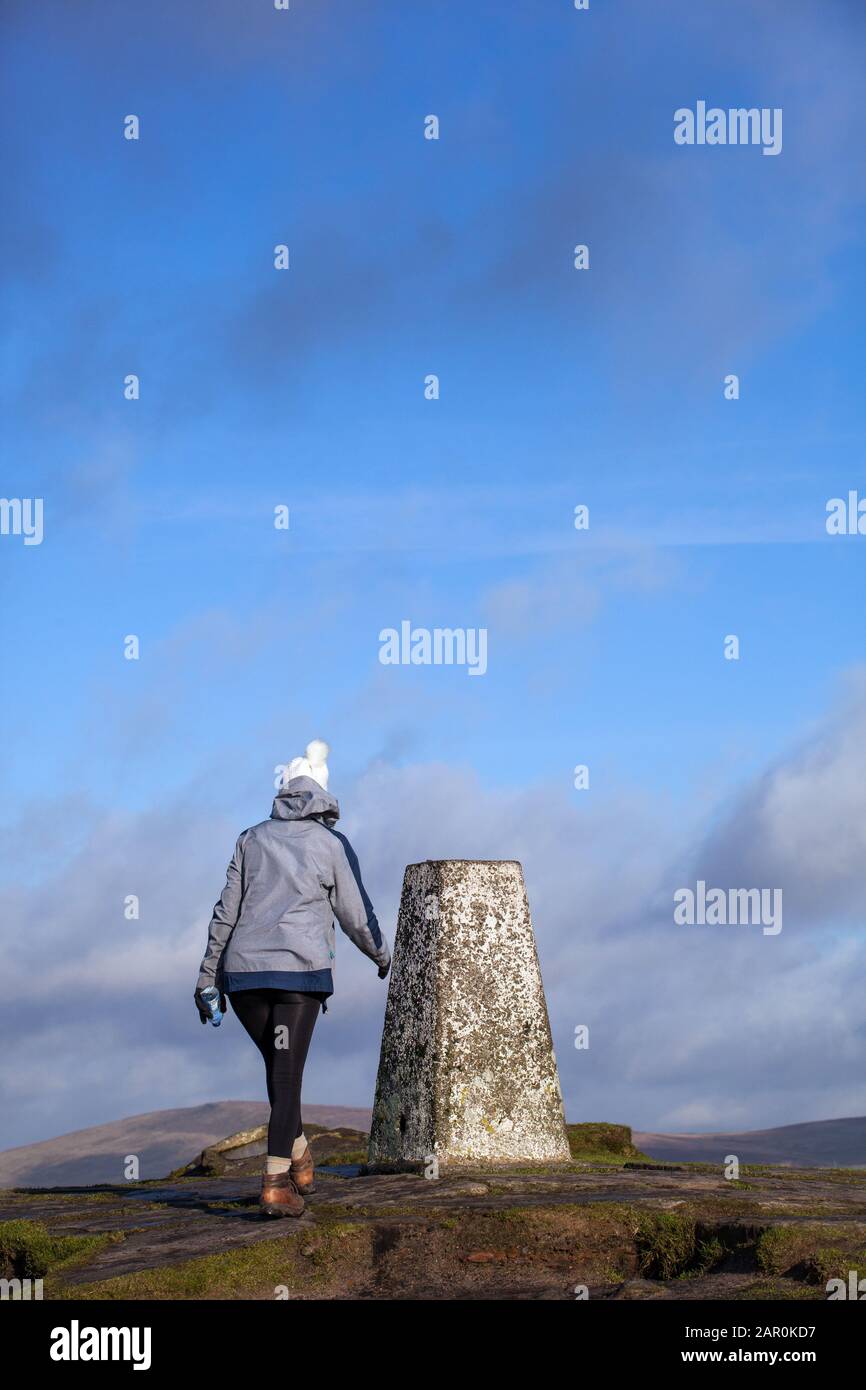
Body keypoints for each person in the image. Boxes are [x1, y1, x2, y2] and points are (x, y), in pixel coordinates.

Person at [194, 740, 390, 1218]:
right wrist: (382, 955)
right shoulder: (331, 844)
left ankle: (298, 1152)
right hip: (298, 977)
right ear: (324, 799)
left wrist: (206, 978)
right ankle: (276, 1183)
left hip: (242, 979)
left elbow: (226, 913)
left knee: (282, 1075)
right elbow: (354, 911)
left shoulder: (251, 838)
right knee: (286, 1075)